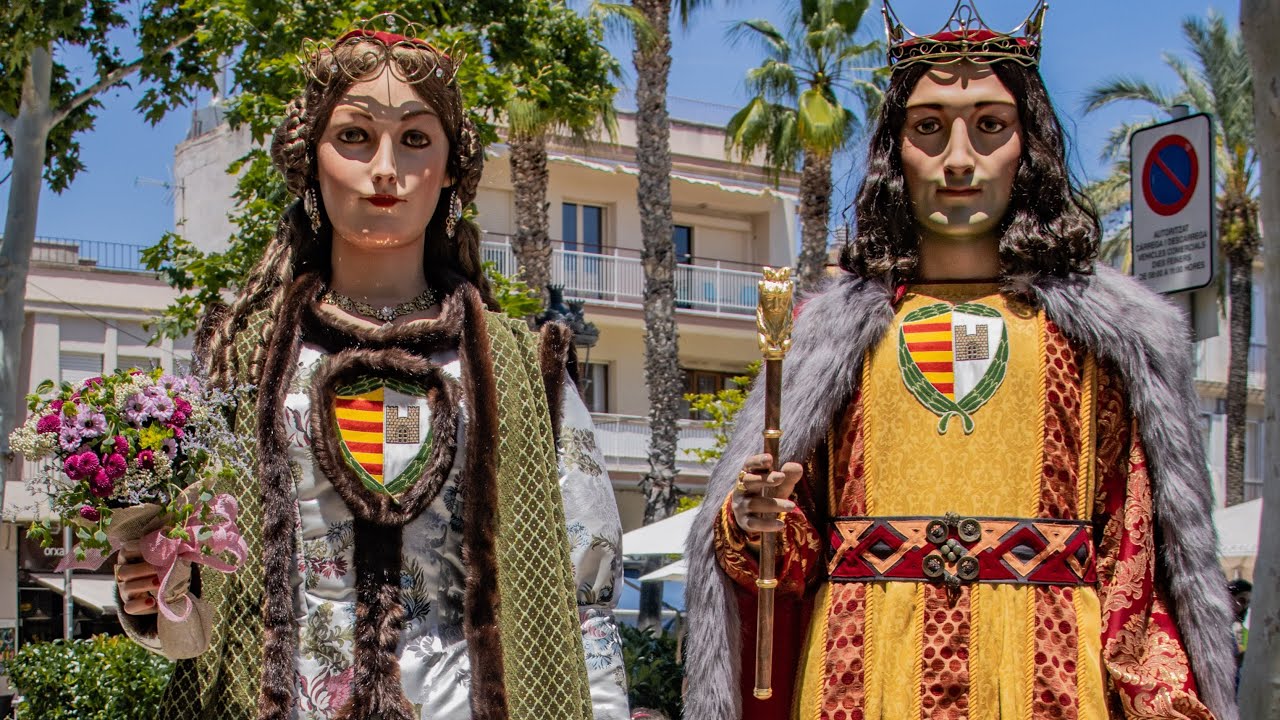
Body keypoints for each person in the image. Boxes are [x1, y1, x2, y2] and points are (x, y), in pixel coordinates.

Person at [682, 2, 1239, 719]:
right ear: (896, 151)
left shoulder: (1100, 341)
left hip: (1047, 680)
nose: (958, 159)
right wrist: (755, 520)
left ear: (1027, 146)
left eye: (989, 126)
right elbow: (794, 556)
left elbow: (1130, 556)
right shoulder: (831, 342)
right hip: (863, 676)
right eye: (928, 128)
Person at [112, 19, 627, 720]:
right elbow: (206, 628)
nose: (385, 168)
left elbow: (587, 606)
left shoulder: (524, 369)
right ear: (310, 159)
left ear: (449, 169)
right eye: (354, 135)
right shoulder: (243, 359)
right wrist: (157, 594)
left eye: (415, 139)